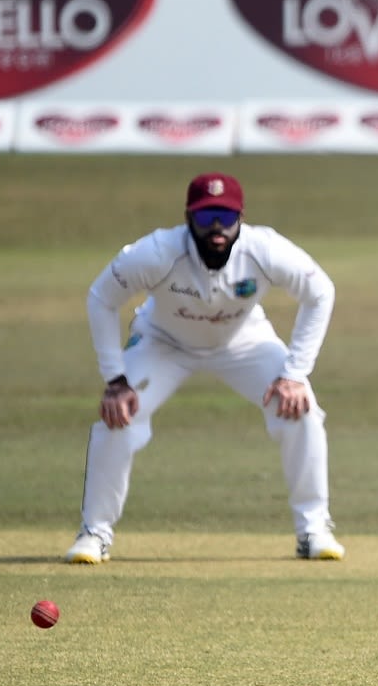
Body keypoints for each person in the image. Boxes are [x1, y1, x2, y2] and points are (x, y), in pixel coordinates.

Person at [64, 172, 345, 564]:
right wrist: (115, 380)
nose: (216, 227)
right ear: (188, 217)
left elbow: (321, 292)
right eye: (206, 215)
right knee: (120, 416)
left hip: (243, 341)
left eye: (225, 216)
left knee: (301, 409)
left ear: (240, 218)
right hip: (163, 341)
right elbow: (101, 298)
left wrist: (294, 374)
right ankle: (95, 532)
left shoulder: (264, 249)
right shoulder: (156, 252)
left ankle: (313, 530)